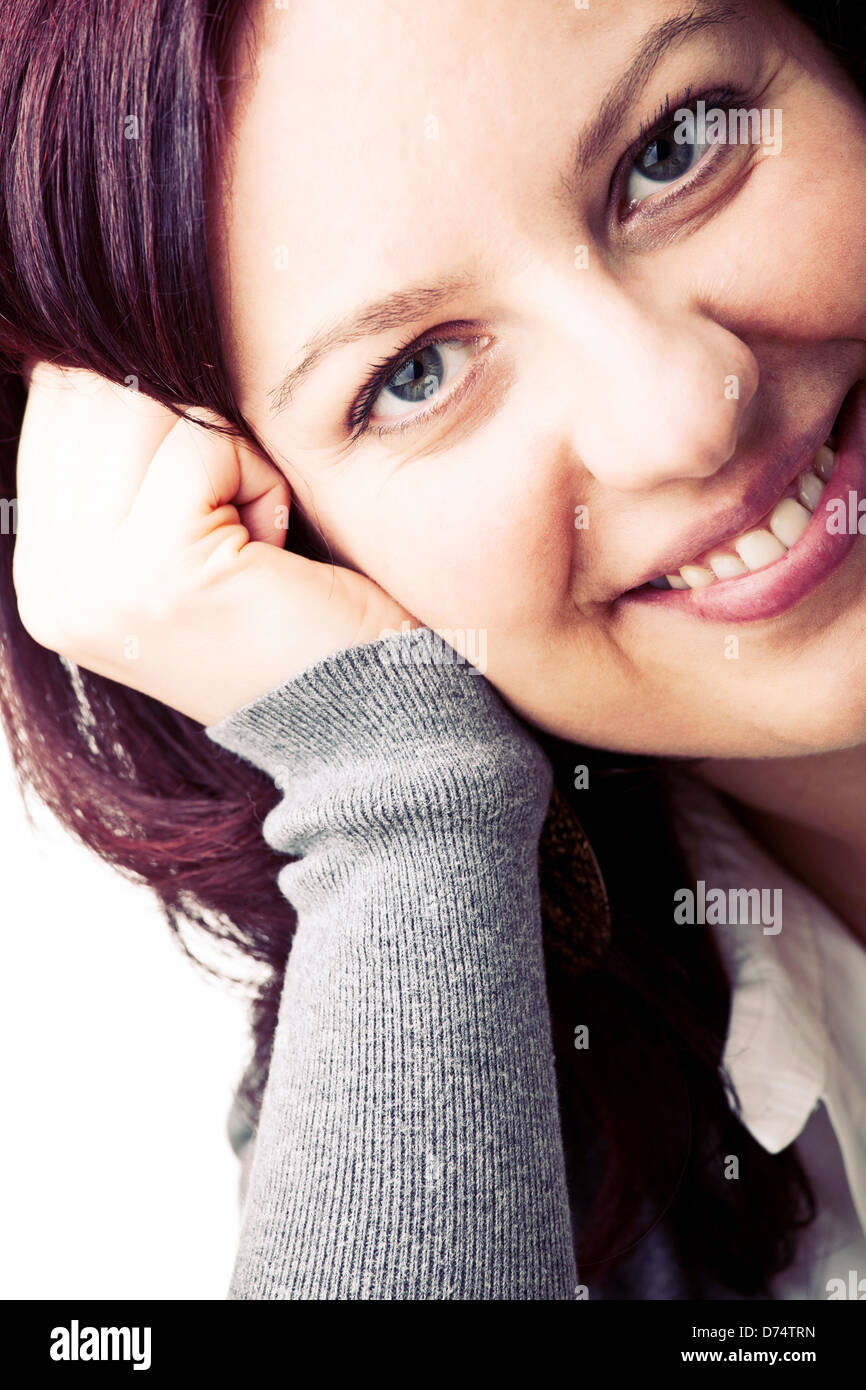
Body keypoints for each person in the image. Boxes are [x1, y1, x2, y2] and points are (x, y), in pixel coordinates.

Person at [1, 0, 865, 1299]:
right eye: (414, 373)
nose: (682, 411)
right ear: (287, 540)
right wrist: (395, 795)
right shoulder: (487, 1098)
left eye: (676, 147)